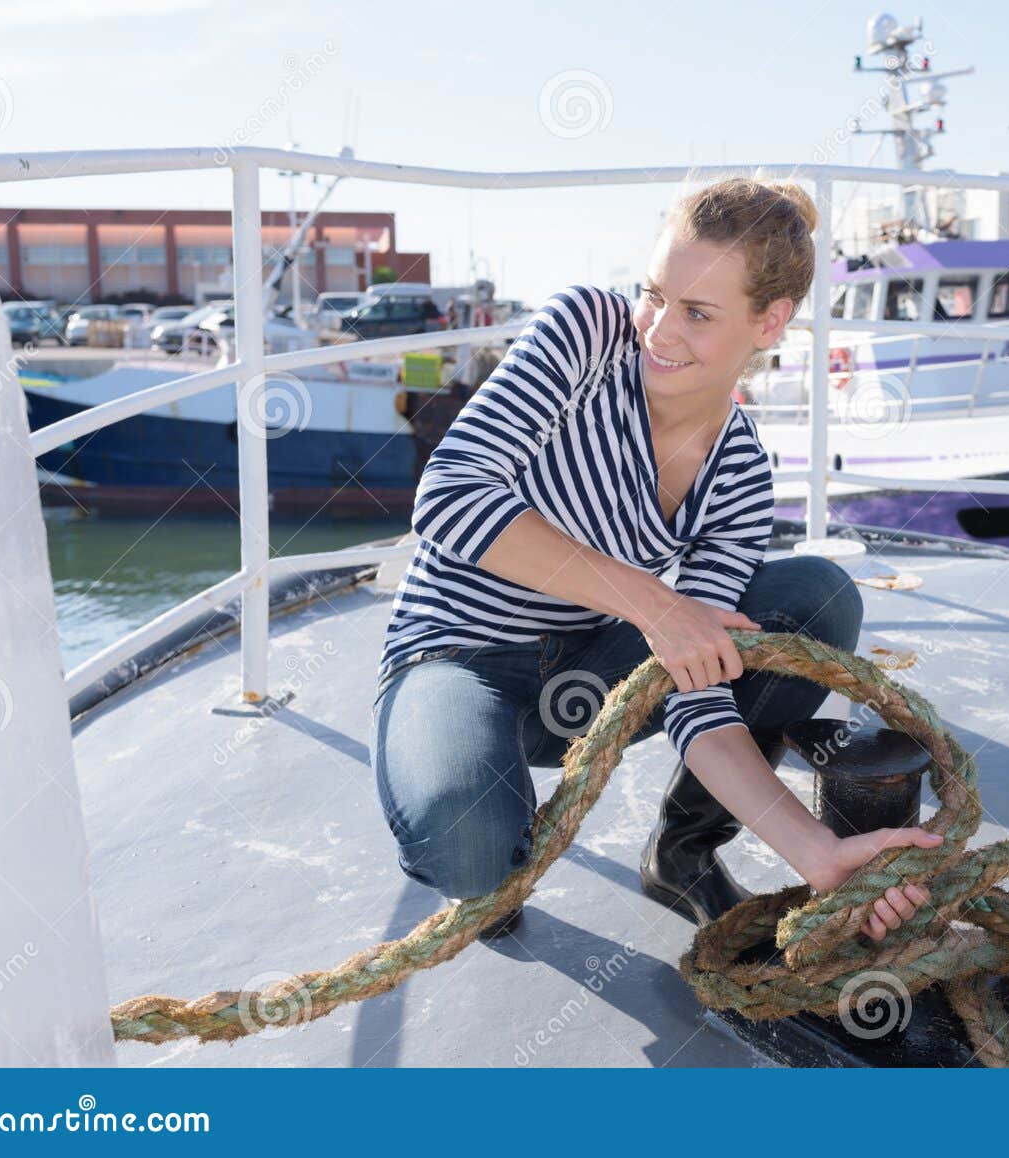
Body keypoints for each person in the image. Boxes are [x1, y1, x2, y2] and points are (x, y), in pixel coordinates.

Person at [369, 175, 938, 943]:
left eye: (698, 313)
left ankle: (683, 850)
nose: (659, 331)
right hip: (456, 655)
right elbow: (450, 496)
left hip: (587, 676)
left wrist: (820, 855)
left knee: (814, 597)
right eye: (654, 294)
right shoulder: (587, 331)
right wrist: (656, 604)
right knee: (473, 860)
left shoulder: (736, 474)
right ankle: (465, 807)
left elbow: (701, 695)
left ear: (769, 322)